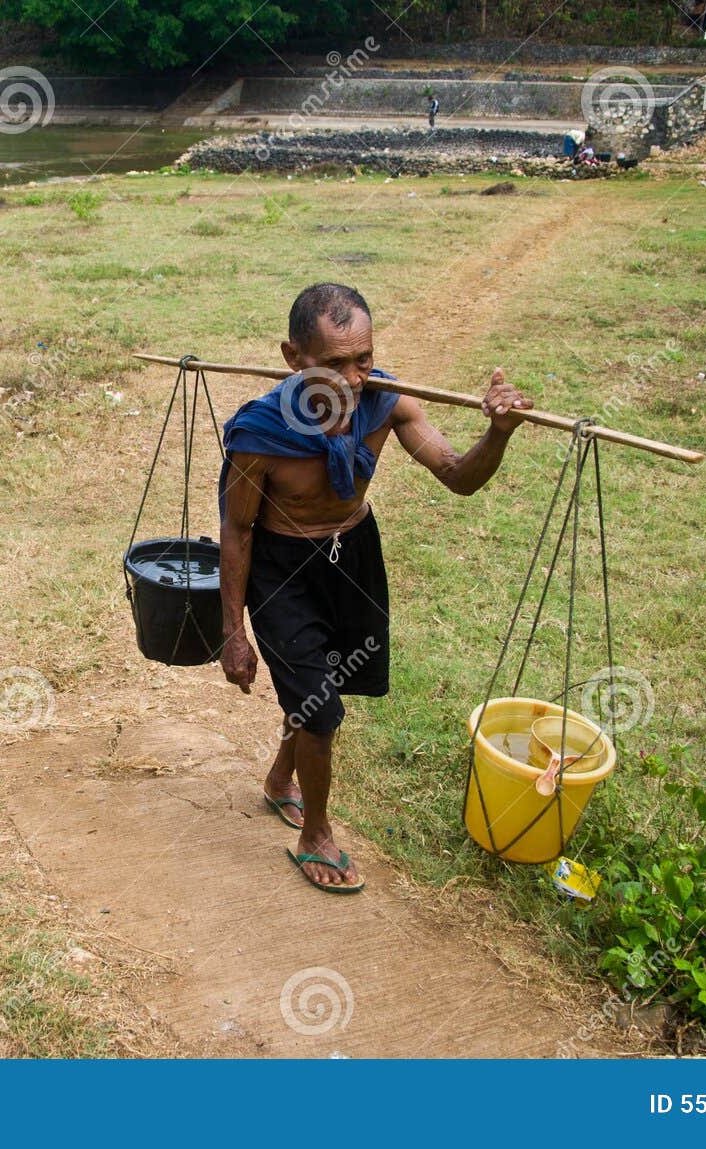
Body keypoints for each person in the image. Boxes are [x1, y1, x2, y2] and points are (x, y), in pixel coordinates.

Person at [218, 284, 532, 893]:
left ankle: (281, 779)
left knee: (325, 687)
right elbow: (236, 528)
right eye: (334, 363)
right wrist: (233, 631)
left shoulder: (386, 404)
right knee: (321, 710)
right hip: (282, 569)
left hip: (354, 556)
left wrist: (499, 433)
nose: (354, 377)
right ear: (292, 357)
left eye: (363, 358)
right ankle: (316, 834)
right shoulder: (259, 435)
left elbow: (457, 476)